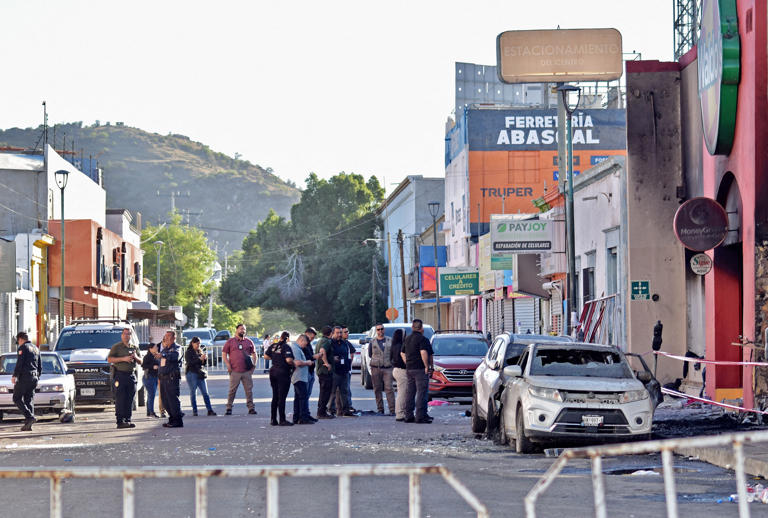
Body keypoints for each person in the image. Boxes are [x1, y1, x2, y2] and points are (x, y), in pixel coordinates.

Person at [107, 327, 141, 429]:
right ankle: (120, 421)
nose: (126, 336)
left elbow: (141, 361)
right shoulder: (116, 347)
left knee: (130, 399)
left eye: (128, 334)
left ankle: (127, 420)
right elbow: (109, 359)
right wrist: (123, 359)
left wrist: (135, 357)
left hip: (131, 375)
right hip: (120, 375)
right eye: (125, 334)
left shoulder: (134, 347)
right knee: (120, 399)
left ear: (131, 336)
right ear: (122, 335)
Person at [401, 319, 432, 424]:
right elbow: (424, 352)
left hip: (410, 368)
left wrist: (407, 362)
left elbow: (402, 353)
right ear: (421, 328)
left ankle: (408, 415)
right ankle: (420, 416)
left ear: (412, 327)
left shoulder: (407, 339)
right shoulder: (423, 339)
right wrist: (427, 366)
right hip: (420, 369)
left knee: (410, 392)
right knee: (421, 393)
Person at [223, 324, 257, 415]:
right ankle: (229, 408)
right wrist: (228, 365)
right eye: (241, 329)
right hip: (234, 371)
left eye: (244, 329)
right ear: (237, 330)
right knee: (232, 391)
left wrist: (253, 366)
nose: (243, 331)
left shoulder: (249, 342)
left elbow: (254, 354)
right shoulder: (230, 341)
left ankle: (251, 408)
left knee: (249, 391)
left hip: (246, 371)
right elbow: (224, 353)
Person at [12, 331, 41, 431]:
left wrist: (14, 375)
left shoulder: (23, 348)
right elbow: (40, 366)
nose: (18, 344)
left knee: (16, 398)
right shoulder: (36, 348)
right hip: (34, 377)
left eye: (18, 341)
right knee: (29, 399)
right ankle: (29, 424)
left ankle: (30, 417)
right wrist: (37, 377)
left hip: (25, 377)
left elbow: (19, 363)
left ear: (20, 339)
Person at [264, 331, 295, 426]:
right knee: (282, 397)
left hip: (273, 371)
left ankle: (273, 419)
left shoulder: (274, 345)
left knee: (275, 396)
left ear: (280, 337)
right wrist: (294, 364)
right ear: (288, 338)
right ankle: (282, 419)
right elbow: (289, 360)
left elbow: (266, 356)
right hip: (283, 372)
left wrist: (275, 358)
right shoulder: (286, 346)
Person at [185, 337, 216, 416]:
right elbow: (190, 363)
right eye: (197, 344)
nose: (198, 345)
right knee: (193, 392)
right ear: (192, 343)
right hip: (191, 373)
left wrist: (204, 359)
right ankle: (195, 411)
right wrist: (199, 359)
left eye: (199, 344)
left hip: (200, 373)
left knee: (205, 393)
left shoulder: (199, 351)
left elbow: (202, 364)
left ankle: (209, 410)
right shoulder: (188, 352)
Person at [158, 330, 183, 428]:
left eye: (168, 336)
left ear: (174, 338)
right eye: (165, 336)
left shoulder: (177, 348)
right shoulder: (165, 349)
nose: (166, 338)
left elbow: (175, 357)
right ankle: (172, 419)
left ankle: (178, 420)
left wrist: (163, 355)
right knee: (165, 401)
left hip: (171, 378)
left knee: (173, 400)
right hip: (163, 378)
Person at [369, 324, 395, 415]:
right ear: (376, 331)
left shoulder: (390, 340)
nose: (380, 331)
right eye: (378, 329)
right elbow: (370, 354)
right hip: (376, 368)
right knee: (377, 389)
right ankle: (380, 409)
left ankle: (392, 410)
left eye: (382, 329)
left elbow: (393, 353)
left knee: (389, 388)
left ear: (384, 329)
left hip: (388, 368)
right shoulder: (372, 341)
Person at [290, 334, 315, 424]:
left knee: (298, 398)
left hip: (300, 377)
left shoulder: (297, 348)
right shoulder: (295, 349)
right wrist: (307, 363)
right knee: (303, 398)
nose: (305, 346)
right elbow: (297, 362)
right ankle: (303, 418)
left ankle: (296, 418)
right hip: (299, 377)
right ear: (301, 340)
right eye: (305, 344)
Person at [330, 326, 354, 417]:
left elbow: (349, 355)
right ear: (333, 333)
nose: (339, 334)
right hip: (335, 371)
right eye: (337, 333)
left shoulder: (344, 343)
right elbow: (325, 355)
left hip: (344, 371)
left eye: (340, 332)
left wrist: (348, 367)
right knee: (332, 392)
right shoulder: (330, 343)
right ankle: (330, 410)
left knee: (345, 391)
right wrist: (332, 359)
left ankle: (346, 410)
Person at [314, 326, 335, 419]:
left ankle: (321, 411)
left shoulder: (320, 340)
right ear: (331, 333)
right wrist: (327, 363)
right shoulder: (326, 341)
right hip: (325, 371)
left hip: (321, 371)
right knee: (325, 392)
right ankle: (321, 412)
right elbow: (322, 351)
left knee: (323, 392)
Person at [390, 329, 407, 421]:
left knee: (402, 392)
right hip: (401, 371)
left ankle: (401, 412)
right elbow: (402, 361)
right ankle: (400, 413)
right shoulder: (401, 347)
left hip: (395, 370)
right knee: (402, 393)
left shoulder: (393, 346)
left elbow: (390, 358)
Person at [141, 343, 160, 417]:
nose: (157, 348)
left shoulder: (156, 355)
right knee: (151, 395)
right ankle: (151, 412)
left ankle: (149, 412)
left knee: (151, 395)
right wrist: (152, 366)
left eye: (157, 347)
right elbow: (143, 366)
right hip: (149, 377)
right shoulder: (147, 356)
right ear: (150, 349)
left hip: (155, 377)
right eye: (155, 347)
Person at [303, 327, 318, 404]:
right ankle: (302, 410)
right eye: (311, 337)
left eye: (313, 338)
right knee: (304, 395)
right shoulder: (302, 345)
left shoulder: (309, 344)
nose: (312, 339)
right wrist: (314, 357)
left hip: (311, 371)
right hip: (305, 371)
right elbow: (304, 358)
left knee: (308, 394)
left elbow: (310, 356)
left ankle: (305, 410)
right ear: (306, 334)